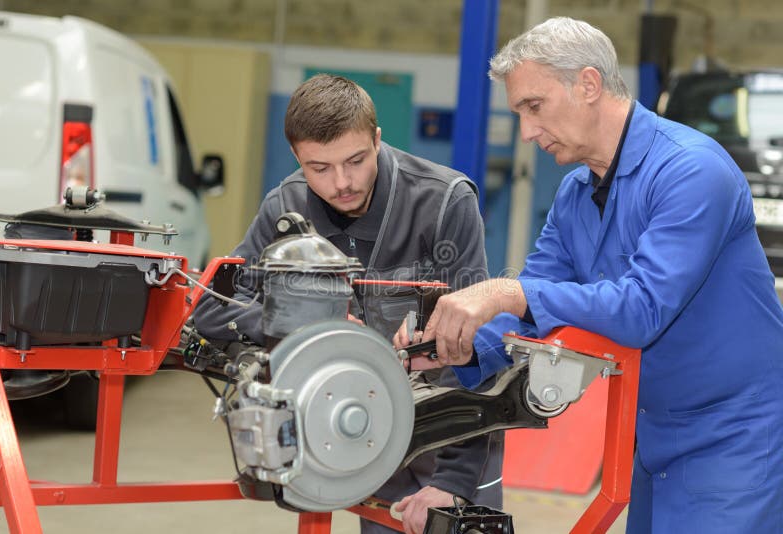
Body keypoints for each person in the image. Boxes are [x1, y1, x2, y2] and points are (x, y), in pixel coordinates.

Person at [402, 17, 783, 533]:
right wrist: (452, 343)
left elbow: (641, 308)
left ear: (587, 84)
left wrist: (504, 291)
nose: (527, 132)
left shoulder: (692, 171)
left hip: (736, 439)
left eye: (534, 107)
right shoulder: (576, 193)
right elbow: (534, 305)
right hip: (652, 437)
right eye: (519, 113)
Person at [193, 74, 503, 534]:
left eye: (355, 161)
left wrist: (454, 481)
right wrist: (301, 323)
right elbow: (210, 307)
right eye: (319, 168)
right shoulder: (286, 207)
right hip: (356, 430)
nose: (341, 183)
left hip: (452, 431)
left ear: (376, 140)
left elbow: (473, 346)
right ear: (296, 156)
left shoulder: (444, 202)